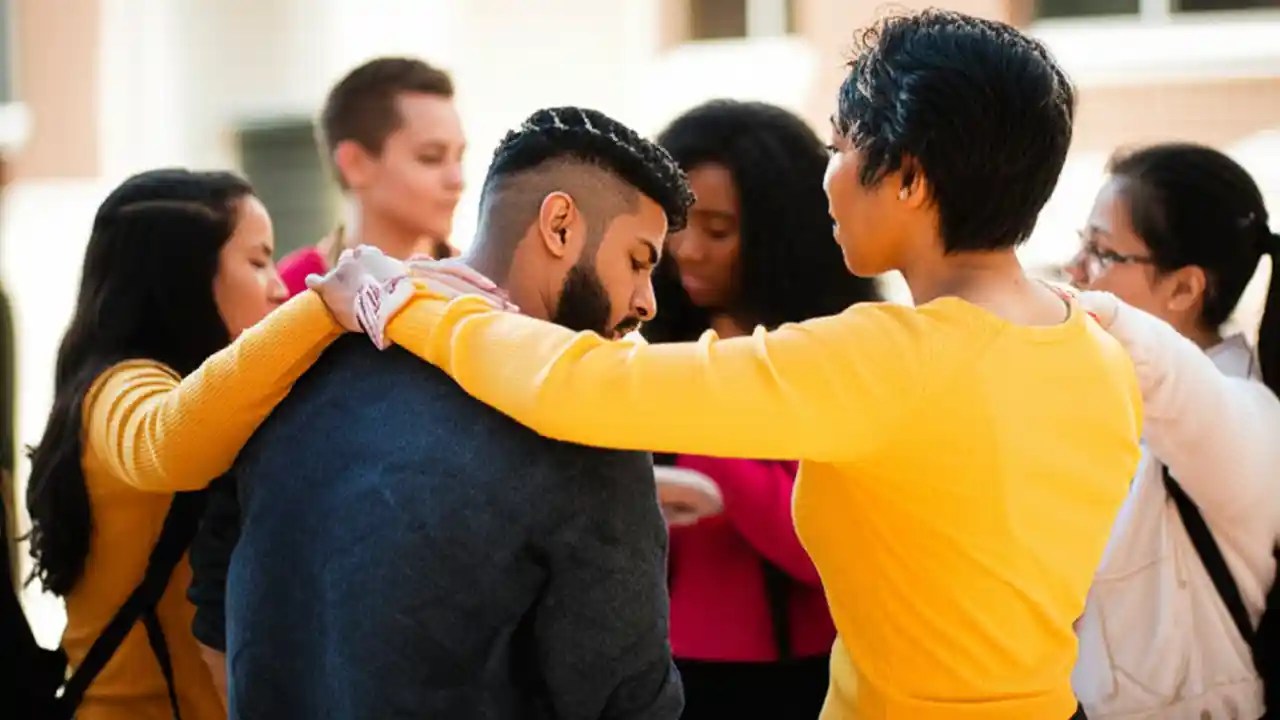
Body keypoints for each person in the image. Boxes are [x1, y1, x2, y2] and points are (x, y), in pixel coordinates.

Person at [312, 11, 1144, 720]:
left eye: (841, 146)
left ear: (911, 178)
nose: (828, 179)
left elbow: (581, 387)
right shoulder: (1096, 353)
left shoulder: (887, 359)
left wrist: (406, 298)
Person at [197, 107, 691, 720]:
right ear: (560, 225)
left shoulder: (304, 357)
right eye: (639, 262)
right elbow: (625, 698)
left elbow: (216, 608)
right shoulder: (580, 413)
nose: (646, 302)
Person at [23, 169, 345, 720]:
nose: (278, 286)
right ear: (186, 276)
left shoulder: (196, 393)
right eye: (257, 260)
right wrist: (318, 311)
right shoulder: (119, 386)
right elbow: (169, 444)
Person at [643, 99, 878, 719]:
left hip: (796, 677)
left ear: (783, 236)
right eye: (677, 224)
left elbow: (818, 551)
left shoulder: (841, 351)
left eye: (718, 230)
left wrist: (706, 395)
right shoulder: (644, 338)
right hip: (658, 667)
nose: (687, 250)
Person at [1067, 143, 1280, 719]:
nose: (1075, 269)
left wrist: (1044, 304)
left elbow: (1160, 371)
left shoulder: (1244, 414)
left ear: (1185, 288)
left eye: (1101, 252)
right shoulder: (1122, 409)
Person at [275, 56, 466, 296]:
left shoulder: (482, 290)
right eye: (430, 157)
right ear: (355, 164)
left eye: (459, 157)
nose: (457, 179)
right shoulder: (288, 292)